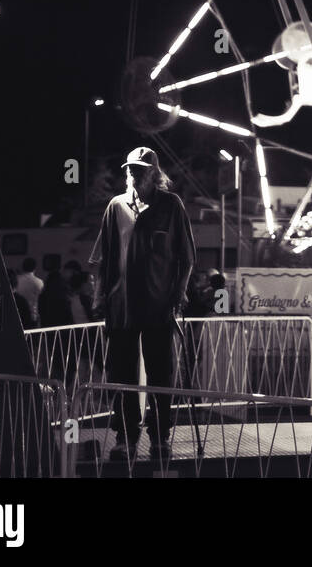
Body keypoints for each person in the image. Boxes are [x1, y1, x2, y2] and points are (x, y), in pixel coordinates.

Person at [89, 146, 195, 460]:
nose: (134, 174)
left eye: (140, 169)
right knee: (121, 374)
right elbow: (103, 259)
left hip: (159, 306)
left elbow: (186, 259)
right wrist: (99, 295)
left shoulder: (171, 205)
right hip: (120, 305)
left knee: (161, 372)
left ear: (153, 173)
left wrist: (178, 294)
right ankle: (125, 436)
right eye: (131, 169)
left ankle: (160, 436)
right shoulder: (115, 206)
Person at [15, 258, 44, 328]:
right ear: (35, 268)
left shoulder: (16, 280)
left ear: (23, 267)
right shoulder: (39, 282)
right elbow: (41, 299)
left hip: (17, 314)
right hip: (32, 315)